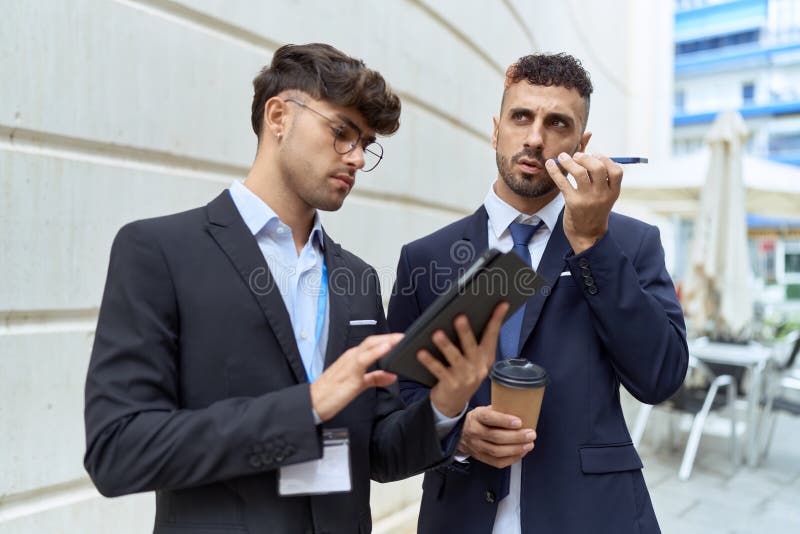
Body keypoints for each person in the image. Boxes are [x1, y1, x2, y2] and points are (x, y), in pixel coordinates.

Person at [83, 43, 506, 534]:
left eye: (366, 144)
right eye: (341, 132)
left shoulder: (359, 278)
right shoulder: (158, 252)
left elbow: (378, 454)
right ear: (279, 115)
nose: (355, 157)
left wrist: (445, 404)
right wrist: (307, 406)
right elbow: (119, 451)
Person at [387, 53, 689, 533]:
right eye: (521, 116)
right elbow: (399, 395)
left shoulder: (630, 244)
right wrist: (456, 431)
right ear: (496, 128)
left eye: (556, 123)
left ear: (581, 144)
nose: (534, 136)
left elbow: (661, 378)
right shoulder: (426, 257)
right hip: (460, 513)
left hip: (591, 513)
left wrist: (592, 242)